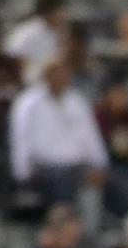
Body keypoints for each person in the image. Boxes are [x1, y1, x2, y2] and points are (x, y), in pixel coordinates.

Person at [9, 56, 110, 230]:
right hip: (43, 167)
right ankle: (65, 234)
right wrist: (23, 172)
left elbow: (91, 136)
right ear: (45, 75)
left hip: (76, 165)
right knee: (62, 183)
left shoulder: (77, 101)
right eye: (56, 73)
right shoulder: (29, 103)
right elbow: (20, 140)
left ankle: (92, 234)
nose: (62, 77)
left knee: (113, 184)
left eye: (65, 73)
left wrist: (100, 165)